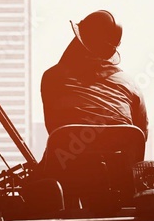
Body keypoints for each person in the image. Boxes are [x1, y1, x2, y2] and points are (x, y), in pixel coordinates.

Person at [40, 10, 147, 139]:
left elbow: (53, 127)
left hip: (69, 156)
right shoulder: (130, 84)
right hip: (120, 158)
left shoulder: (52, 78)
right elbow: (141, 135)